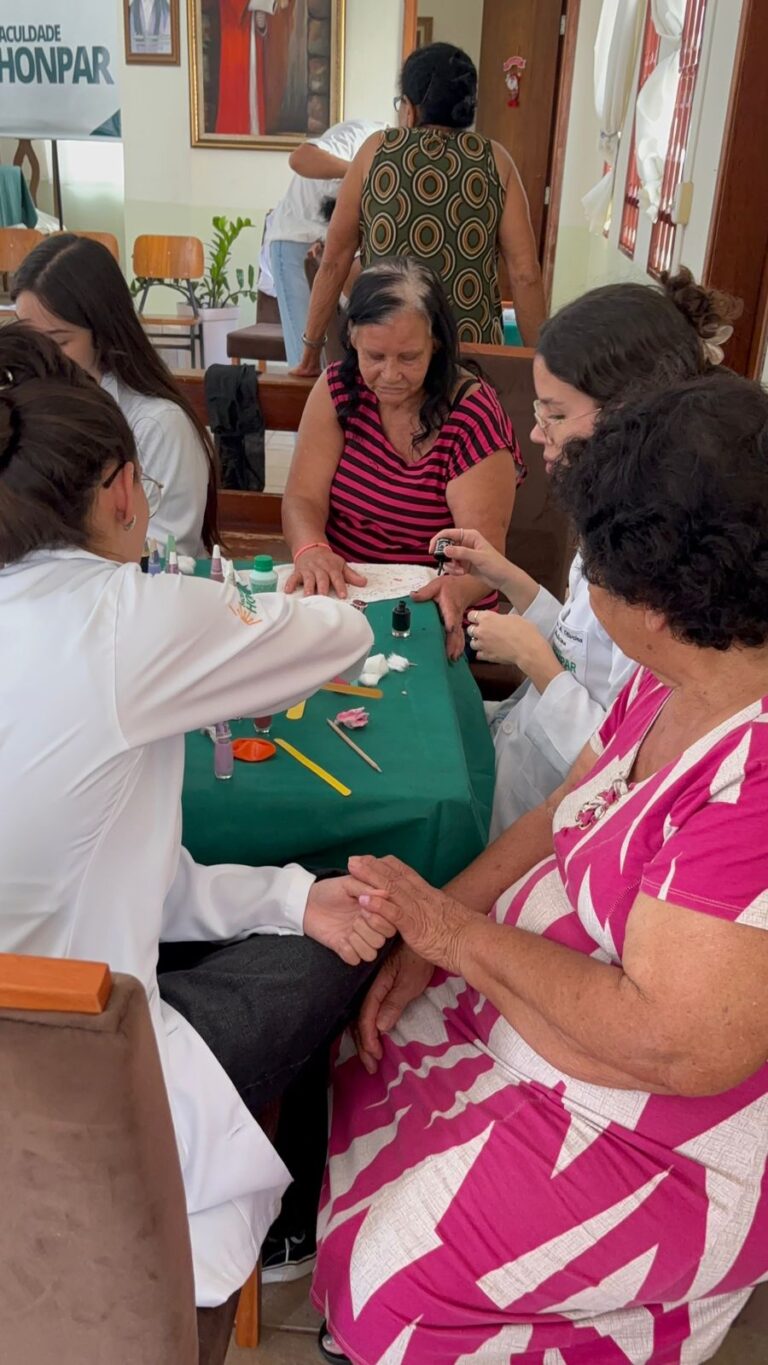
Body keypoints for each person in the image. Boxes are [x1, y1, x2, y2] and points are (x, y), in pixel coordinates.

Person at [313, 371, 768, 1364]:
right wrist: (435, 936)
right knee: (358, 1044)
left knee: (394, 1287)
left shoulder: (757, 777)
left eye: (593, 566)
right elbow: (571, 802)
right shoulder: (682, 670)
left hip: (660, 1127)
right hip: (556, 1022)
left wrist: (452, 933)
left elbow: (673, 1046)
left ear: (655, 605)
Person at [0, 323, 395, 1316]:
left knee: (296, 907)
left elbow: (112, 869)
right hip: (66, 1055)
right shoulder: (120, 616)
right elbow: (340, 630)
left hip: (48, 983)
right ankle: (293, 1223)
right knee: (349, 931)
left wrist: (285, 898)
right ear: (122, 491)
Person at [432, 270, 742, 836]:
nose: (536, 433)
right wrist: (508, 578)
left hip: (569, 819)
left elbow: (623, 759)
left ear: (628, 413)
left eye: (554, 414)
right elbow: (581, 642)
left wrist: (533, 660)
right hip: (522, 775)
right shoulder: (608, 521)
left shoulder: (667, 574)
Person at [281, 258, 524, 660]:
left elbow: (484, 560)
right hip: (345, 594)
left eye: (409, 358)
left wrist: (454, 593)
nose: (390, 374)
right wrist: (312, 550)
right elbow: (303, 498)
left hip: (437, 605)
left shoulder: (471, 414)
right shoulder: (339, 388)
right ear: (353, 338)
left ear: (435, 344)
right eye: (375, 356)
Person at [293, 42, 546, 377]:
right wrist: (543, 368)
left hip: (387, 358)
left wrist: (311, 352)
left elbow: (334, 261)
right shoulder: (496, 161)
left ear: (409, 109)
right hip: (468, 362)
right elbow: (525, 274)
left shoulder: (375, 152)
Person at [12, 233, 217, 557]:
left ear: (102, 333)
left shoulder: (158, 425)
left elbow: (162, 556)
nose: (39, 357)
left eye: (59, 342)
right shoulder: (20, 414)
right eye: (27, 340)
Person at [268, 119, 383, 367]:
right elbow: (300, 158)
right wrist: (358, 171)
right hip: (297, 239)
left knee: (335, 359)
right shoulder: (363, 135)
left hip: (330, 241)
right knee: (306, 358)